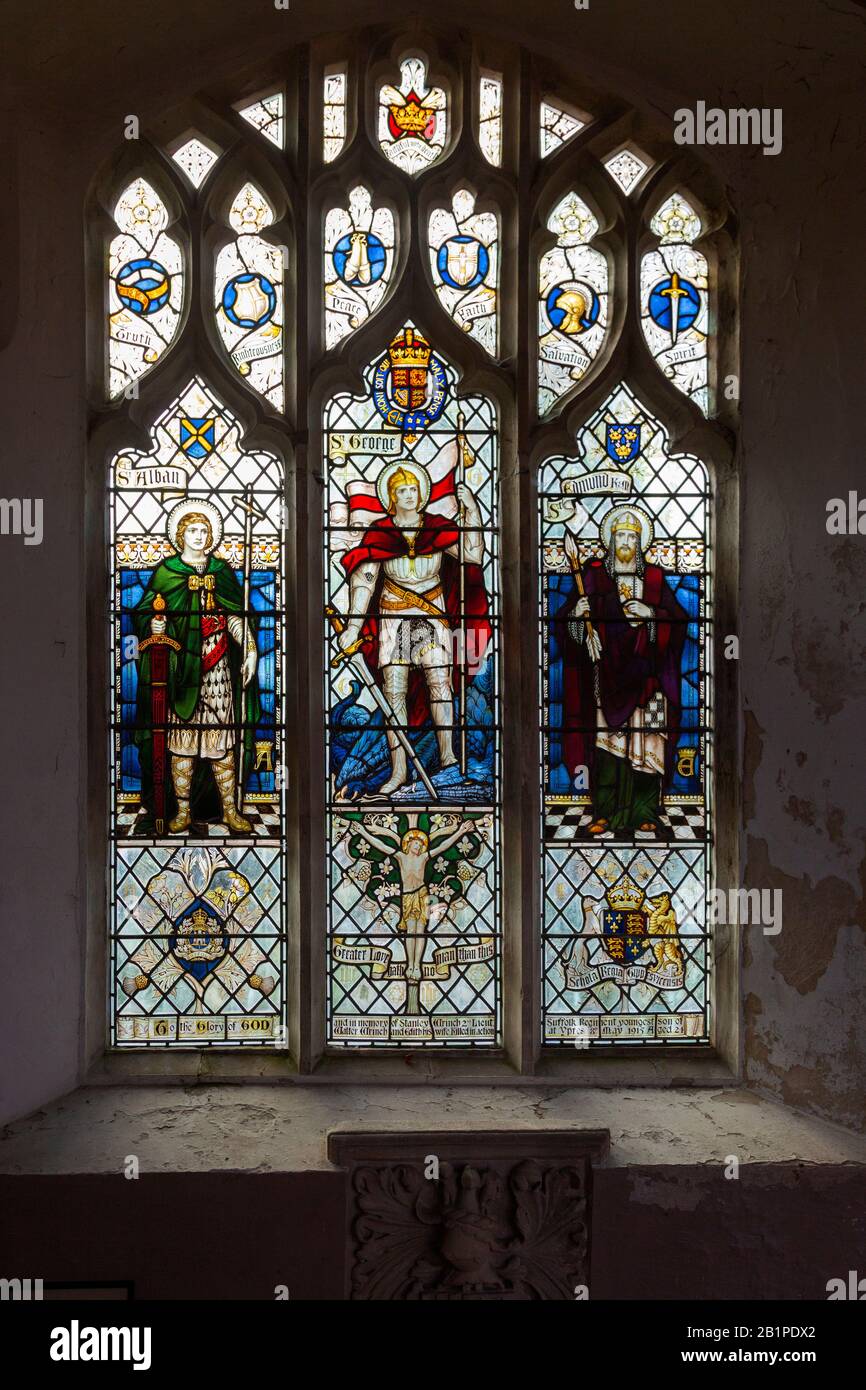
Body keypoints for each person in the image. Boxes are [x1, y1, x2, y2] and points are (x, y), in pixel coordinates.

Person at [133, 499, 259, 834]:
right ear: (180, 534)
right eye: (193, 530)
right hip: (181, 671)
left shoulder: (221, 573)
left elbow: (236, 616)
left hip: (218, 670)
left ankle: (230, 810)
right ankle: (183, 812)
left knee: (222, 745)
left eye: (205, 530)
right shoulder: (167, 573)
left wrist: (249, 650)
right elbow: (145, 611)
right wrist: (154, 625)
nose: (200, 536)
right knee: (182, 743)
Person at [559, 504, 687, 834]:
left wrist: (652, 615)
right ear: (611, 541)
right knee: (607, 744)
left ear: (641, 541)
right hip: (609, 677)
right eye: (621, 536)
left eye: (633, 535)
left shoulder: (656, 579)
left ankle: (645, 811)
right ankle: (605, 811)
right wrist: (577, 615)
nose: (627, 541)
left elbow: (679, 622)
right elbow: (566, 623)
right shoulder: (594, 576)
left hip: (650, 680)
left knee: (650, 743)